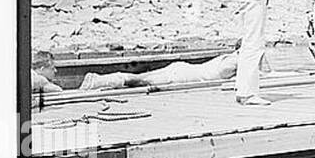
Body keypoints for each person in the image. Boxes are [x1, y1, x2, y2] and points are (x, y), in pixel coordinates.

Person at [81, 51, 238, 92]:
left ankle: (98, 80)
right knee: (137, 80)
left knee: (139, 79)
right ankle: (97, 81)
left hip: (182, 71)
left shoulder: (227, 57)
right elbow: (225, 71)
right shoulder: (234, 60)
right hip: (182, 77)